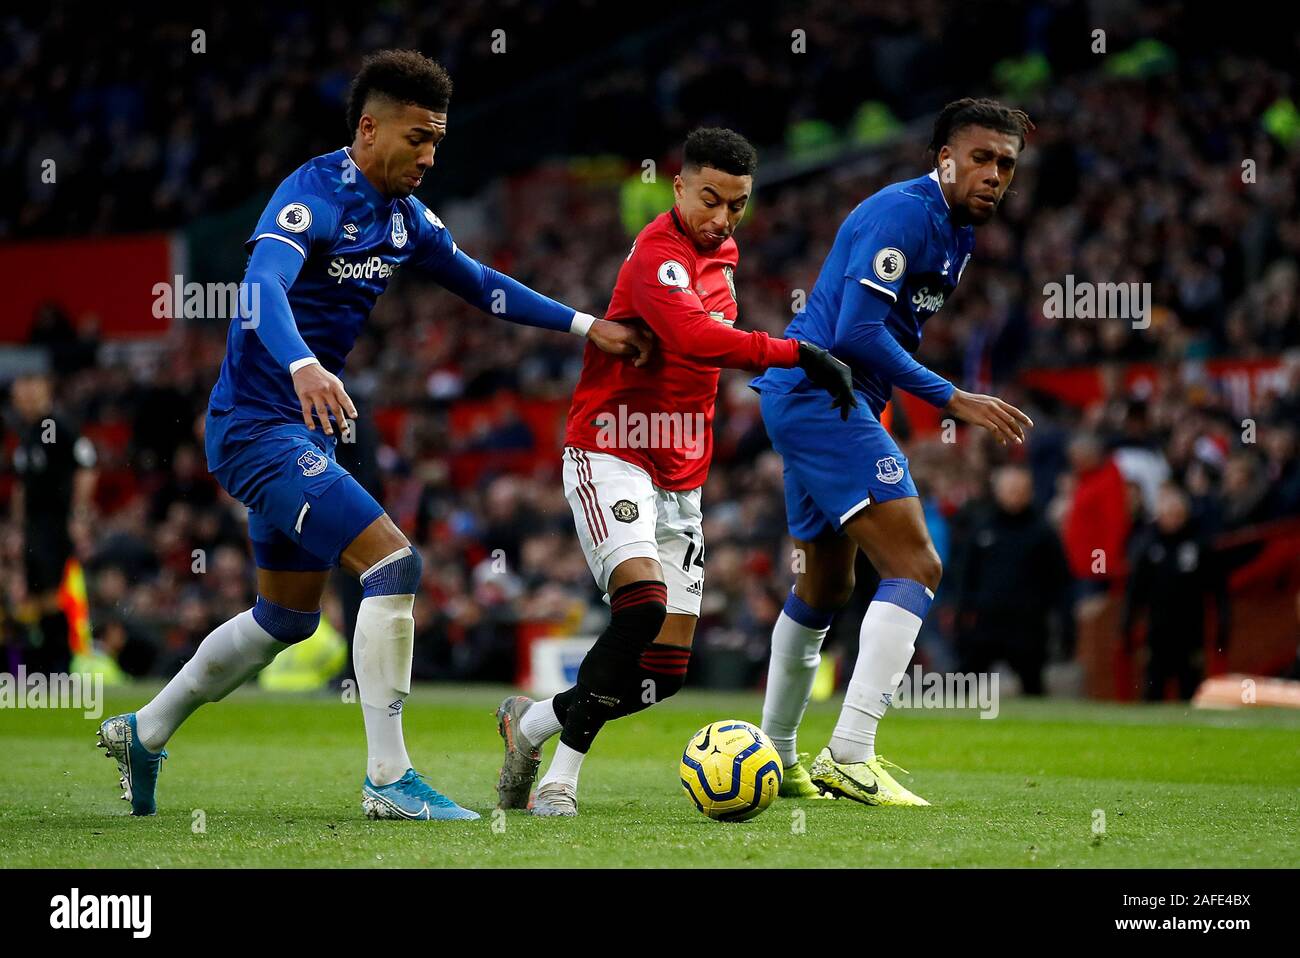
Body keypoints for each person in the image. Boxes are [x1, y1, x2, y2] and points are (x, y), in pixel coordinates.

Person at [96, 49, 651, 820]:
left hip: (304, 433)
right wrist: (301, 366)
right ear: (368, 129)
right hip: (259, 425)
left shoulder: (406, 219)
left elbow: (482, 285)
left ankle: (143, 730)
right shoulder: (313, 194)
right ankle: (388, 779)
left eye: (437, 143)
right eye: (418, 139)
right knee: (394, 560)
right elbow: (258, 289)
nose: (429, 157)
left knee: (283, 620)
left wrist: (588, 324)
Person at [492, 128, 856, 817]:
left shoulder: (724, 252)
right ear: (680, 187)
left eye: (739, 205)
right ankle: (559, 780)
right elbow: (694, 338)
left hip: (681, 476)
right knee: (642, 607)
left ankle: (531, 724)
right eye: (711, 200)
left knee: (666, 673)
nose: (723, 218)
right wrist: (798, 354)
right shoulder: (658, 256)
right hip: (612, 450)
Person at [751, 98, 1035, 806]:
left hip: (822, 398)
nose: (996, 174)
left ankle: (777, 757)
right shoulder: (904, 214)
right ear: (944, 157)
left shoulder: (957, 232)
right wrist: (951, 399)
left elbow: (884, 339)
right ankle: (850, 752)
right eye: (982, 158)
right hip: (824, 394)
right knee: (916, 563)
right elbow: (855, 331)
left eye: (1006, 163)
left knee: (826, 585)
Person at [955, 465, 1073, 695]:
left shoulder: (1042, 532)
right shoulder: (982, 528)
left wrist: (1060, 618)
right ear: (997, 491)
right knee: (964, 682)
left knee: (1032, 685)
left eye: (1020, 490)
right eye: (1010, 489)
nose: (1015, 495)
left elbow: (1059, 579)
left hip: (1027, 625)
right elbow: (966, 574)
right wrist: (963, 611)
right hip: (986, 622)